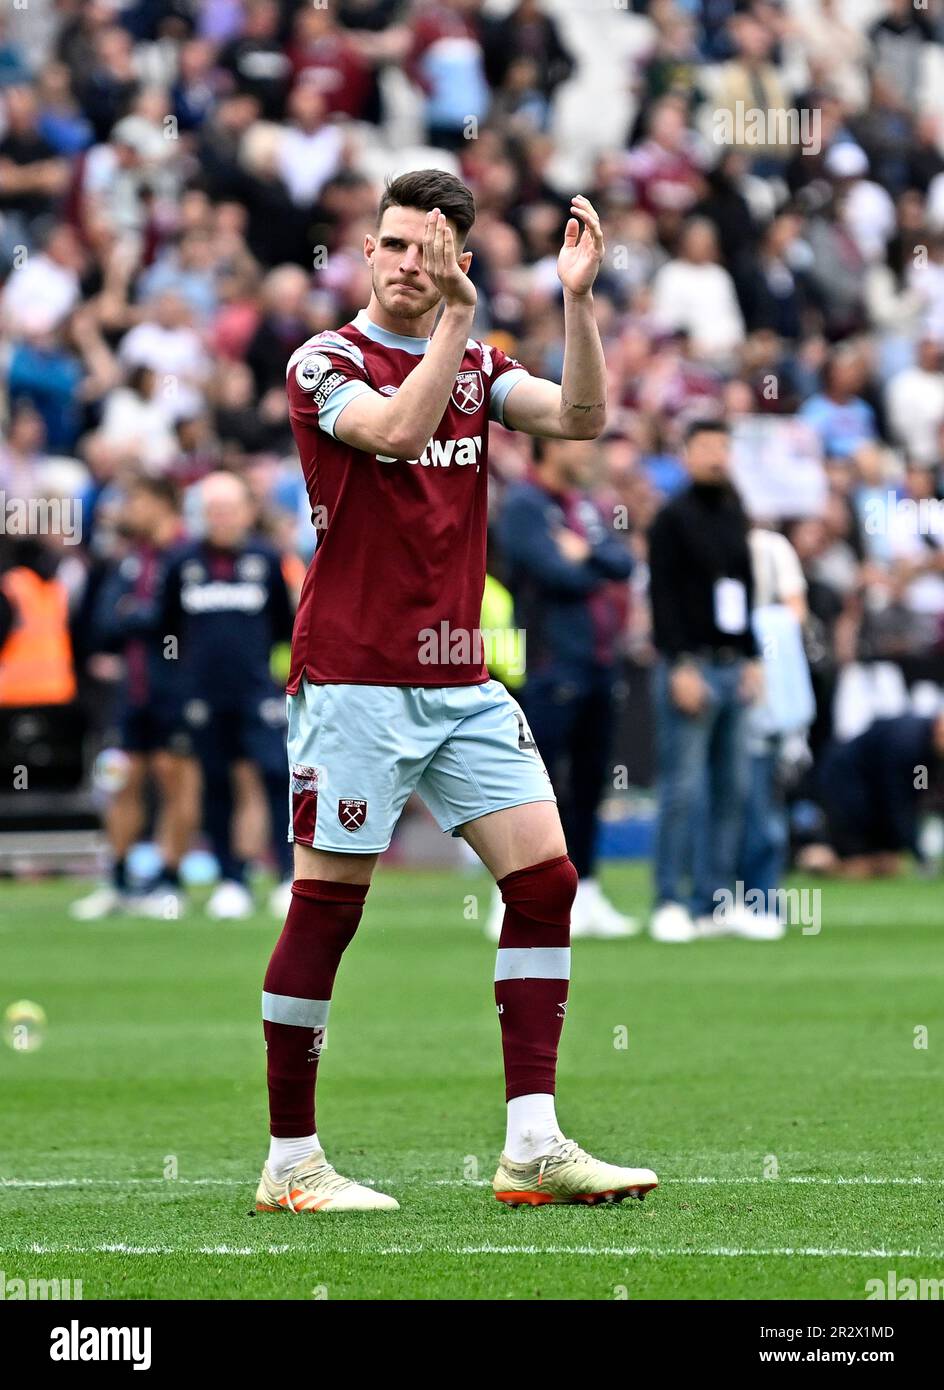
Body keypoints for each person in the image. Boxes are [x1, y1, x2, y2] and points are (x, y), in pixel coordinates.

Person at [255, 169, 658, 1214]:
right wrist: (460, 328)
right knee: (328, 908)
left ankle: (531, 1143)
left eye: (423, 248)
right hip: (353, 679)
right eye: (389, 244)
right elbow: (393, 430)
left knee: (546, 882)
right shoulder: (323, 361)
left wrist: (574, 298)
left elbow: (577, 418)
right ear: (365, 252)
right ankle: (290, 1161)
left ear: (457, 262)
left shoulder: (475, 359)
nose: (403, 263)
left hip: (460, 678)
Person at [122, 471, 296, 919]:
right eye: (214, 510)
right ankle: (230, 878)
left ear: (247, 512)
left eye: (231, 509)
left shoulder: (264, 558)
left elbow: (285, 624)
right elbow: (164, 626)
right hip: (200, 696)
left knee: (276, 777)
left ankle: (287, 875)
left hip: (257, 692)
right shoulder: (183, 562)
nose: (222, 518)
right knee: (215, 784)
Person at [495, 436, 637, 939]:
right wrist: (591, 563)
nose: (587, 454)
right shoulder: (523, 506)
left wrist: (589, 555)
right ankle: (511, 896)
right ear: (547, 449)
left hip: (600, 663)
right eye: (575, 445)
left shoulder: (585, 507)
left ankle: (589, 890)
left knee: (590, 783)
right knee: (540, 786)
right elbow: (556, 575)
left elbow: (623, 563)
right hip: (552, 666)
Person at [647, 418, 763, 943]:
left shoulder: (736, 511)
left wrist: (754, 656)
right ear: (687, 454)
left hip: (732, 662)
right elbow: (663, 597)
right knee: (683, 789)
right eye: (707, 447)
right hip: (690, 662)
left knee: (733, 787)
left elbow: (746, 585)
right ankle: (669, 899)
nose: (717, 455)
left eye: (724, 446)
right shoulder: (671, 519)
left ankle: (714, 900)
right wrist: (679, 663)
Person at [70, 478, 197, 921]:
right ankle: (119, 880)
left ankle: (169, 880)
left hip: (178, 690)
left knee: (174, 779)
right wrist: (143, 617)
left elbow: (175, 620)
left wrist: (142, 616)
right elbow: (107, 620)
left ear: (162, 503)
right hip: (133, 690)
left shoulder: (186, 555)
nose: (128, 510)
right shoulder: (129, 560)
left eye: (136, 500)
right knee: (122, 779)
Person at [817, 712, 944, 877]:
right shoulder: (907, 743)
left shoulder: (926, 750)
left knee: (888, 864)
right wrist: (919, 854)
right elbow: (898, 802)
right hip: (845, 781)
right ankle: (816, 859)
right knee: (862, 864)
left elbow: (919, 791)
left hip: (869, 784)